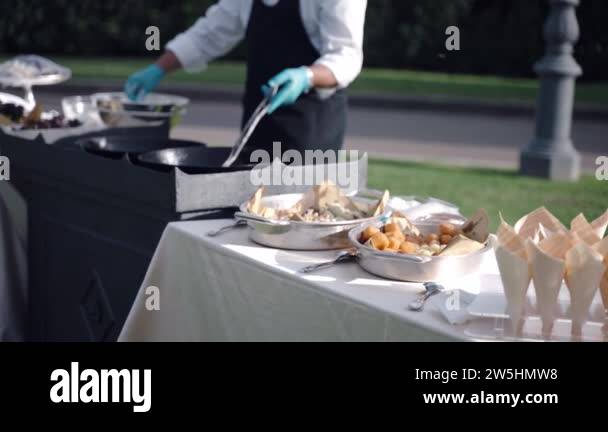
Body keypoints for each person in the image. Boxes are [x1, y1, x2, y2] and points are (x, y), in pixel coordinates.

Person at [125, 0, 367, 160]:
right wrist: (158, 69)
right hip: (257, 121)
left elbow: (346, 55)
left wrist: (306, 76)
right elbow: (209, 33)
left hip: (312, 130)